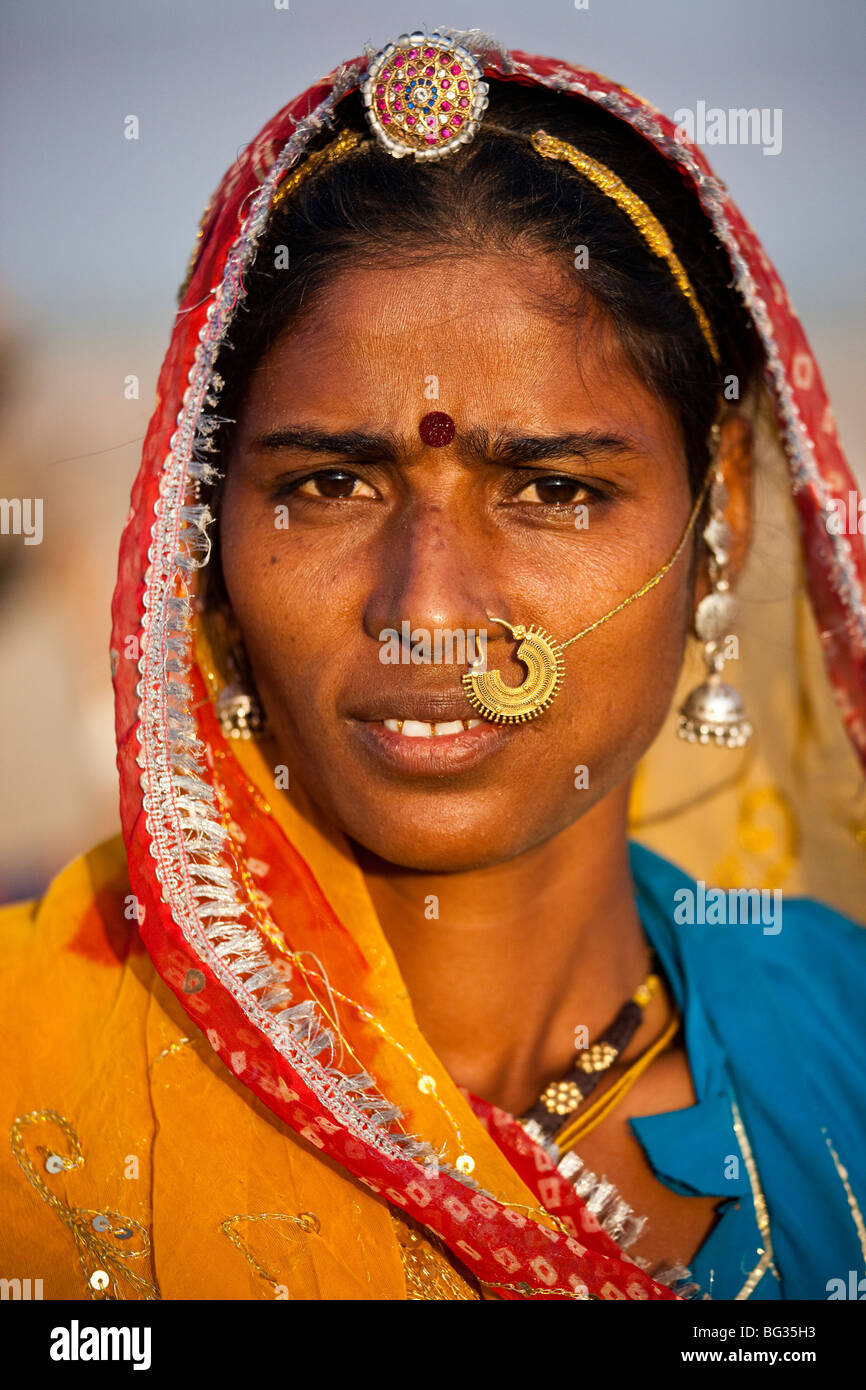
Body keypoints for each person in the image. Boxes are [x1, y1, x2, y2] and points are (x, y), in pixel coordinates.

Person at [2, 27, 864, 1302]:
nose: (427, 611)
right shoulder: (33, 1057)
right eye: (330, 483)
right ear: (203, 532)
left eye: (554, 488)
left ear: (717, 515)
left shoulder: (842, 1037)